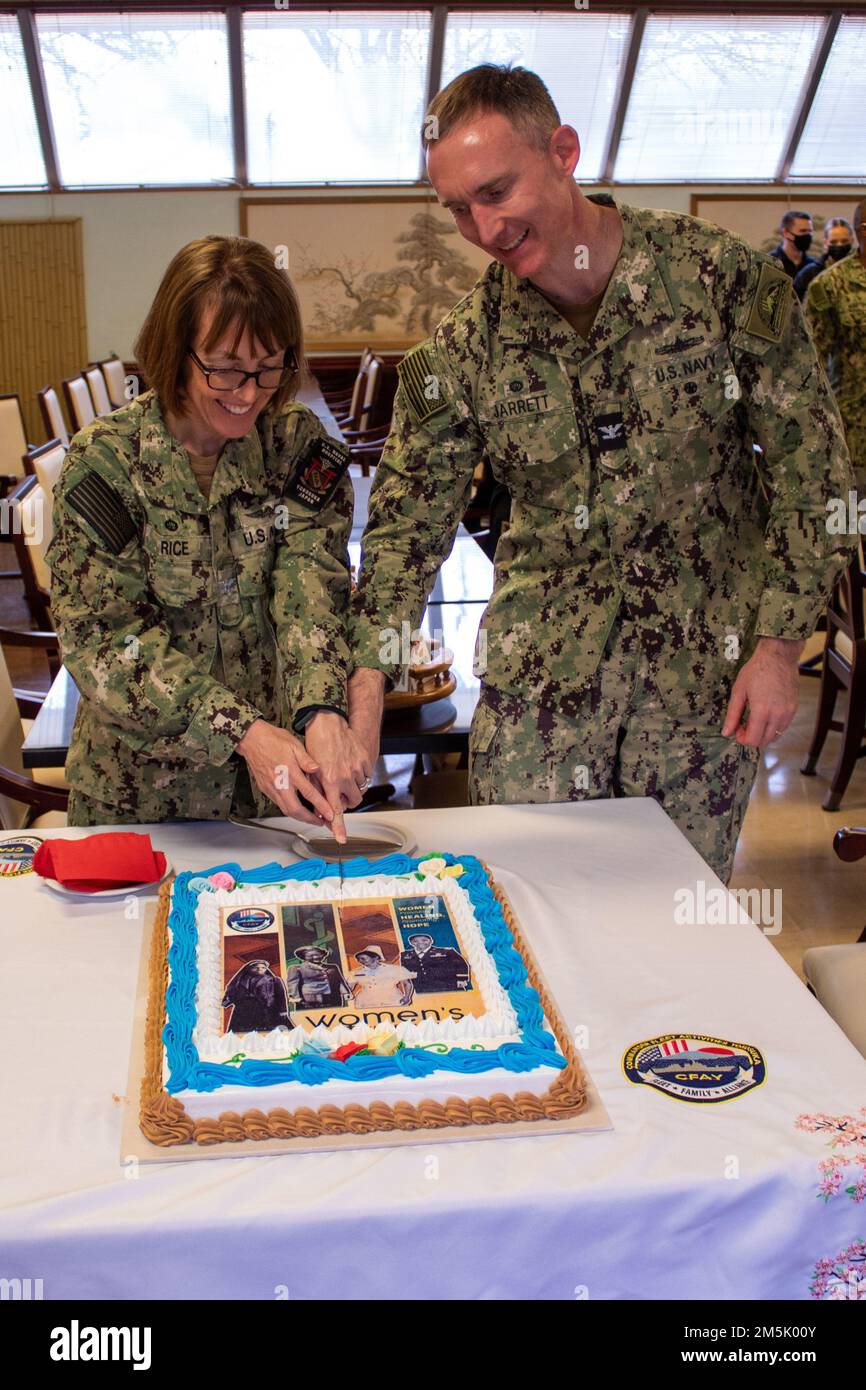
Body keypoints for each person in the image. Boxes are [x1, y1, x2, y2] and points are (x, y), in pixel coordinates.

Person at [349, 65, 854, 883]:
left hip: (701, 687)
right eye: (457, 210)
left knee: (676, 923)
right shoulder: (464, 348)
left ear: (563, 151)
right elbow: (404, 537)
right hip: (540, 694)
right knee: (526, 911)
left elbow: (816, 474)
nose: (483, 227)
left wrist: (777, 643)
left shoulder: (721, 282)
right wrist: (366, 690)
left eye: (496, 191)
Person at [48, 236, 371, 830]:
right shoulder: (107, 464)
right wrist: (240, 730)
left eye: (267, 367)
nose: (247, 394)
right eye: (224, 370)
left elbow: (311, 592)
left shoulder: (296, 447)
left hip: (272, 800)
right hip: (138, 802)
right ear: (176, 351)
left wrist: (323, 708)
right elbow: (103, 640)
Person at [804, 200, 866, 492]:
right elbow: (809, 359)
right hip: (854, 428)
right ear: (859, 232)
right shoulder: (829, 285)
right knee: (855, 524)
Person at [793, 217, 855, 301]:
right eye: (834, 242)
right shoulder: (809, 274)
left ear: (852, 241)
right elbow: (793, 305)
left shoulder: (861, 269)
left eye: (844, 241)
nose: (839, 245)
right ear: (825, 243)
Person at [222, 960, 291, 1033]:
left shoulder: (274, 980)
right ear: (249, 969)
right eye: (256, 967)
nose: (260, 969)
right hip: (243, 1011)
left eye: (263, 967)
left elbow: (281, 996)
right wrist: (227, 1001)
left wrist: (283, 1010)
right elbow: (232, 992)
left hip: (266, 1010)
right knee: (241, 1034)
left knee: (267, 1032)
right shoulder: (239, 981)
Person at [400, 933, 470, 993]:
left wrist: (461, 980)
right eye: (415, 941)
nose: (420, 943)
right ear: (411, 943)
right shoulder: (405, 955)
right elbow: (404, 972)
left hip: (447, 986)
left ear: (431, 941)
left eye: (424, 940)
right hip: (421, 988)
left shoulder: (446, 951)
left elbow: (461, 964)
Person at [285, 945, 351, 1010]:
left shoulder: (333, 967)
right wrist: (295, 997)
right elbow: (292, 984)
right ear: (304, 957)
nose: (316, 957)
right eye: (310, 956)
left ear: (323, 955)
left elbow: (339, 982)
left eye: (318, 954)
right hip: (309, 1000)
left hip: (333, 999)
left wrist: (346, 993)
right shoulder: (297, 968)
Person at [349, 947, 415, 1008]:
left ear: (376, 957)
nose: (360, 961)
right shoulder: (355, 972)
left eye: (363, 958)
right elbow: (349, 987)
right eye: (358, 959)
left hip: (392, 1001)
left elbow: (407, 984)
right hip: (365, 1003)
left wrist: (406, 997)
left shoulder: (395, 969)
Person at [769, 209, 820, 282]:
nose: (807, 235)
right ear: (786, 233)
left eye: (810, 231)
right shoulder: (770, 264)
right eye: (803, 231)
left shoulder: (813, 265)